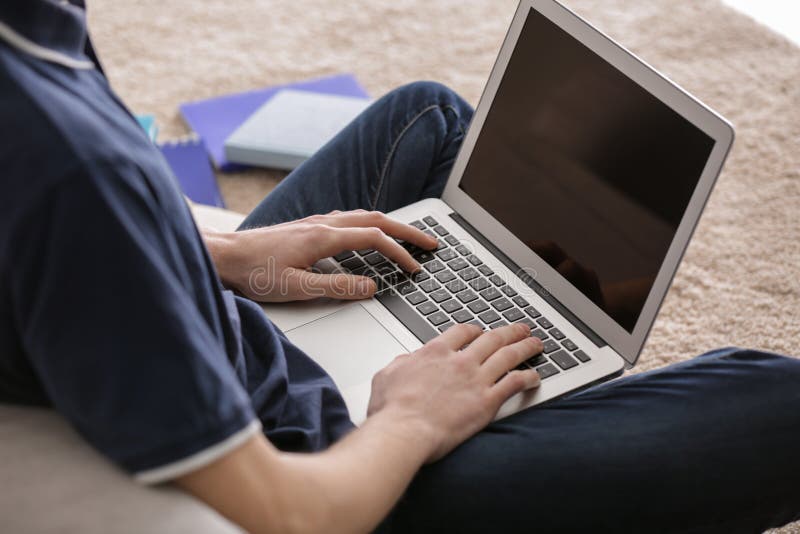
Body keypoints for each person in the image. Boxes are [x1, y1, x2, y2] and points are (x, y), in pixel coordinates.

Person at [2, 1, 799, 533]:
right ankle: (545, 371)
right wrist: (412, 420)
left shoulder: (35, 36)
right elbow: (291, 515)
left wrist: (227, 254)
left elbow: (70, 251)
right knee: (779, 402)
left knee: (426, 118)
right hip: (328, 462)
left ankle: (545, 333)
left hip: (227, 323)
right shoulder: (75, 171)